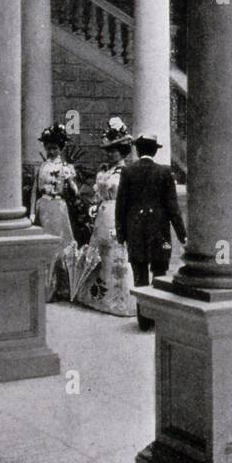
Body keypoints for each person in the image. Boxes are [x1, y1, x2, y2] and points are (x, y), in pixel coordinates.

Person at [115, 133, 187, 330]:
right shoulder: (165, 173)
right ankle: (157, 317)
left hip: (135, 231)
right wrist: (183, 235)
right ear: (155, 151)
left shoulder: (128, 172)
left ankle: (144, 321)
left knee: (139, 275)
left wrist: (121, 234)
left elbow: (121, 206)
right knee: (160, 272)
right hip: (160, 233)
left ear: (137, 151)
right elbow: (173, 208)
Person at [77, 120, 136, 317]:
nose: (110, 154)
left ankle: (118, 299)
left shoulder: (126, 172)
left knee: (115, 252)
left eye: (114, 150)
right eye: (108, 150)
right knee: (99, 251)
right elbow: (97, 194)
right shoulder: (104, 170)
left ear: (123, 151)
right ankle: (96, 296)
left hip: (117, 213)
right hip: (102, 213)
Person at [28, 123, 78, 301]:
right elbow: (35, 189)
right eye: (49, 148)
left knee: (60, 245)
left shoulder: (66, 167)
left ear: (61, 148)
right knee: (44, 247)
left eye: (55, 148)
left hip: (58, 207)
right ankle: (45, 288)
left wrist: (70, 181)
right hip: (43, 206)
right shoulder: (40, 167)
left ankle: (63, 288)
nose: (51, 151)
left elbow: (75, 192)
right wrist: (32, 211)